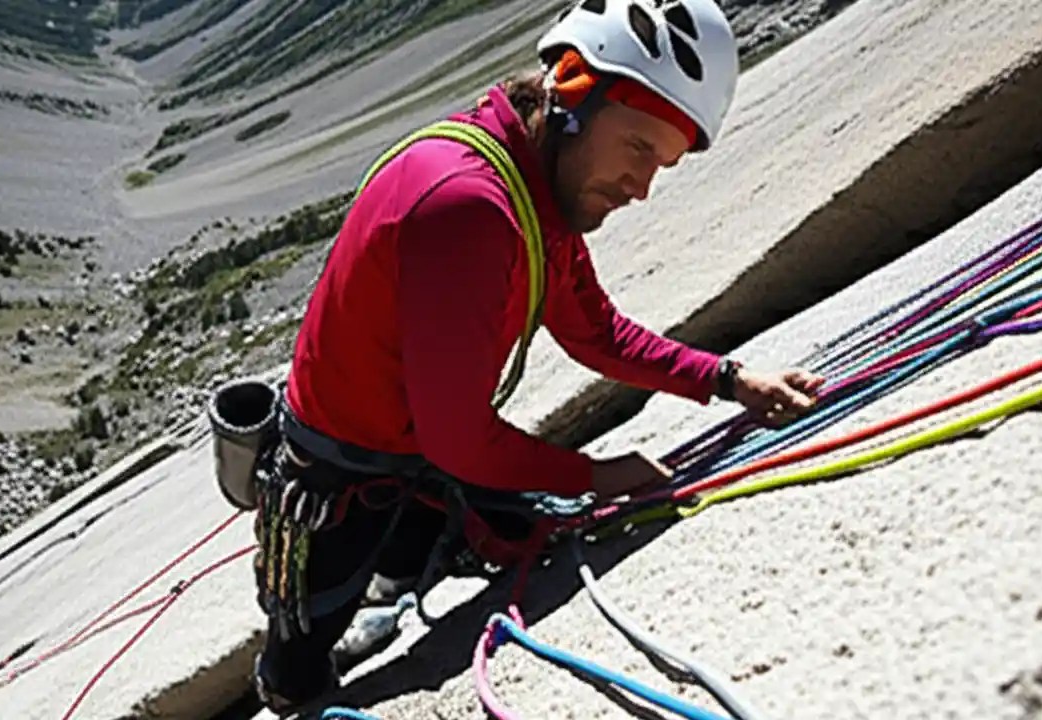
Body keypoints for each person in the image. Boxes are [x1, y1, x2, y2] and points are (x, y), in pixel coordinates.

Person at [249, 0, 824, 711]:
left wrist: (730, 381)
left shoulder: (534, 190)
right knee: (300, 660)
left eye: (662, 166)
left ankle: (397, 581)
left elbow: (596, 333)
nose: (641, 189)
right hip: (343, 471)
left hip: (419, 448)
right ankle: (303, 665)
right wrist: (595, 475)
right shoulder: (470, 208)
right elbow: (459, 440)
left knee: (497, 532)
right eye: (638, 148)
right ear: (574, 89)